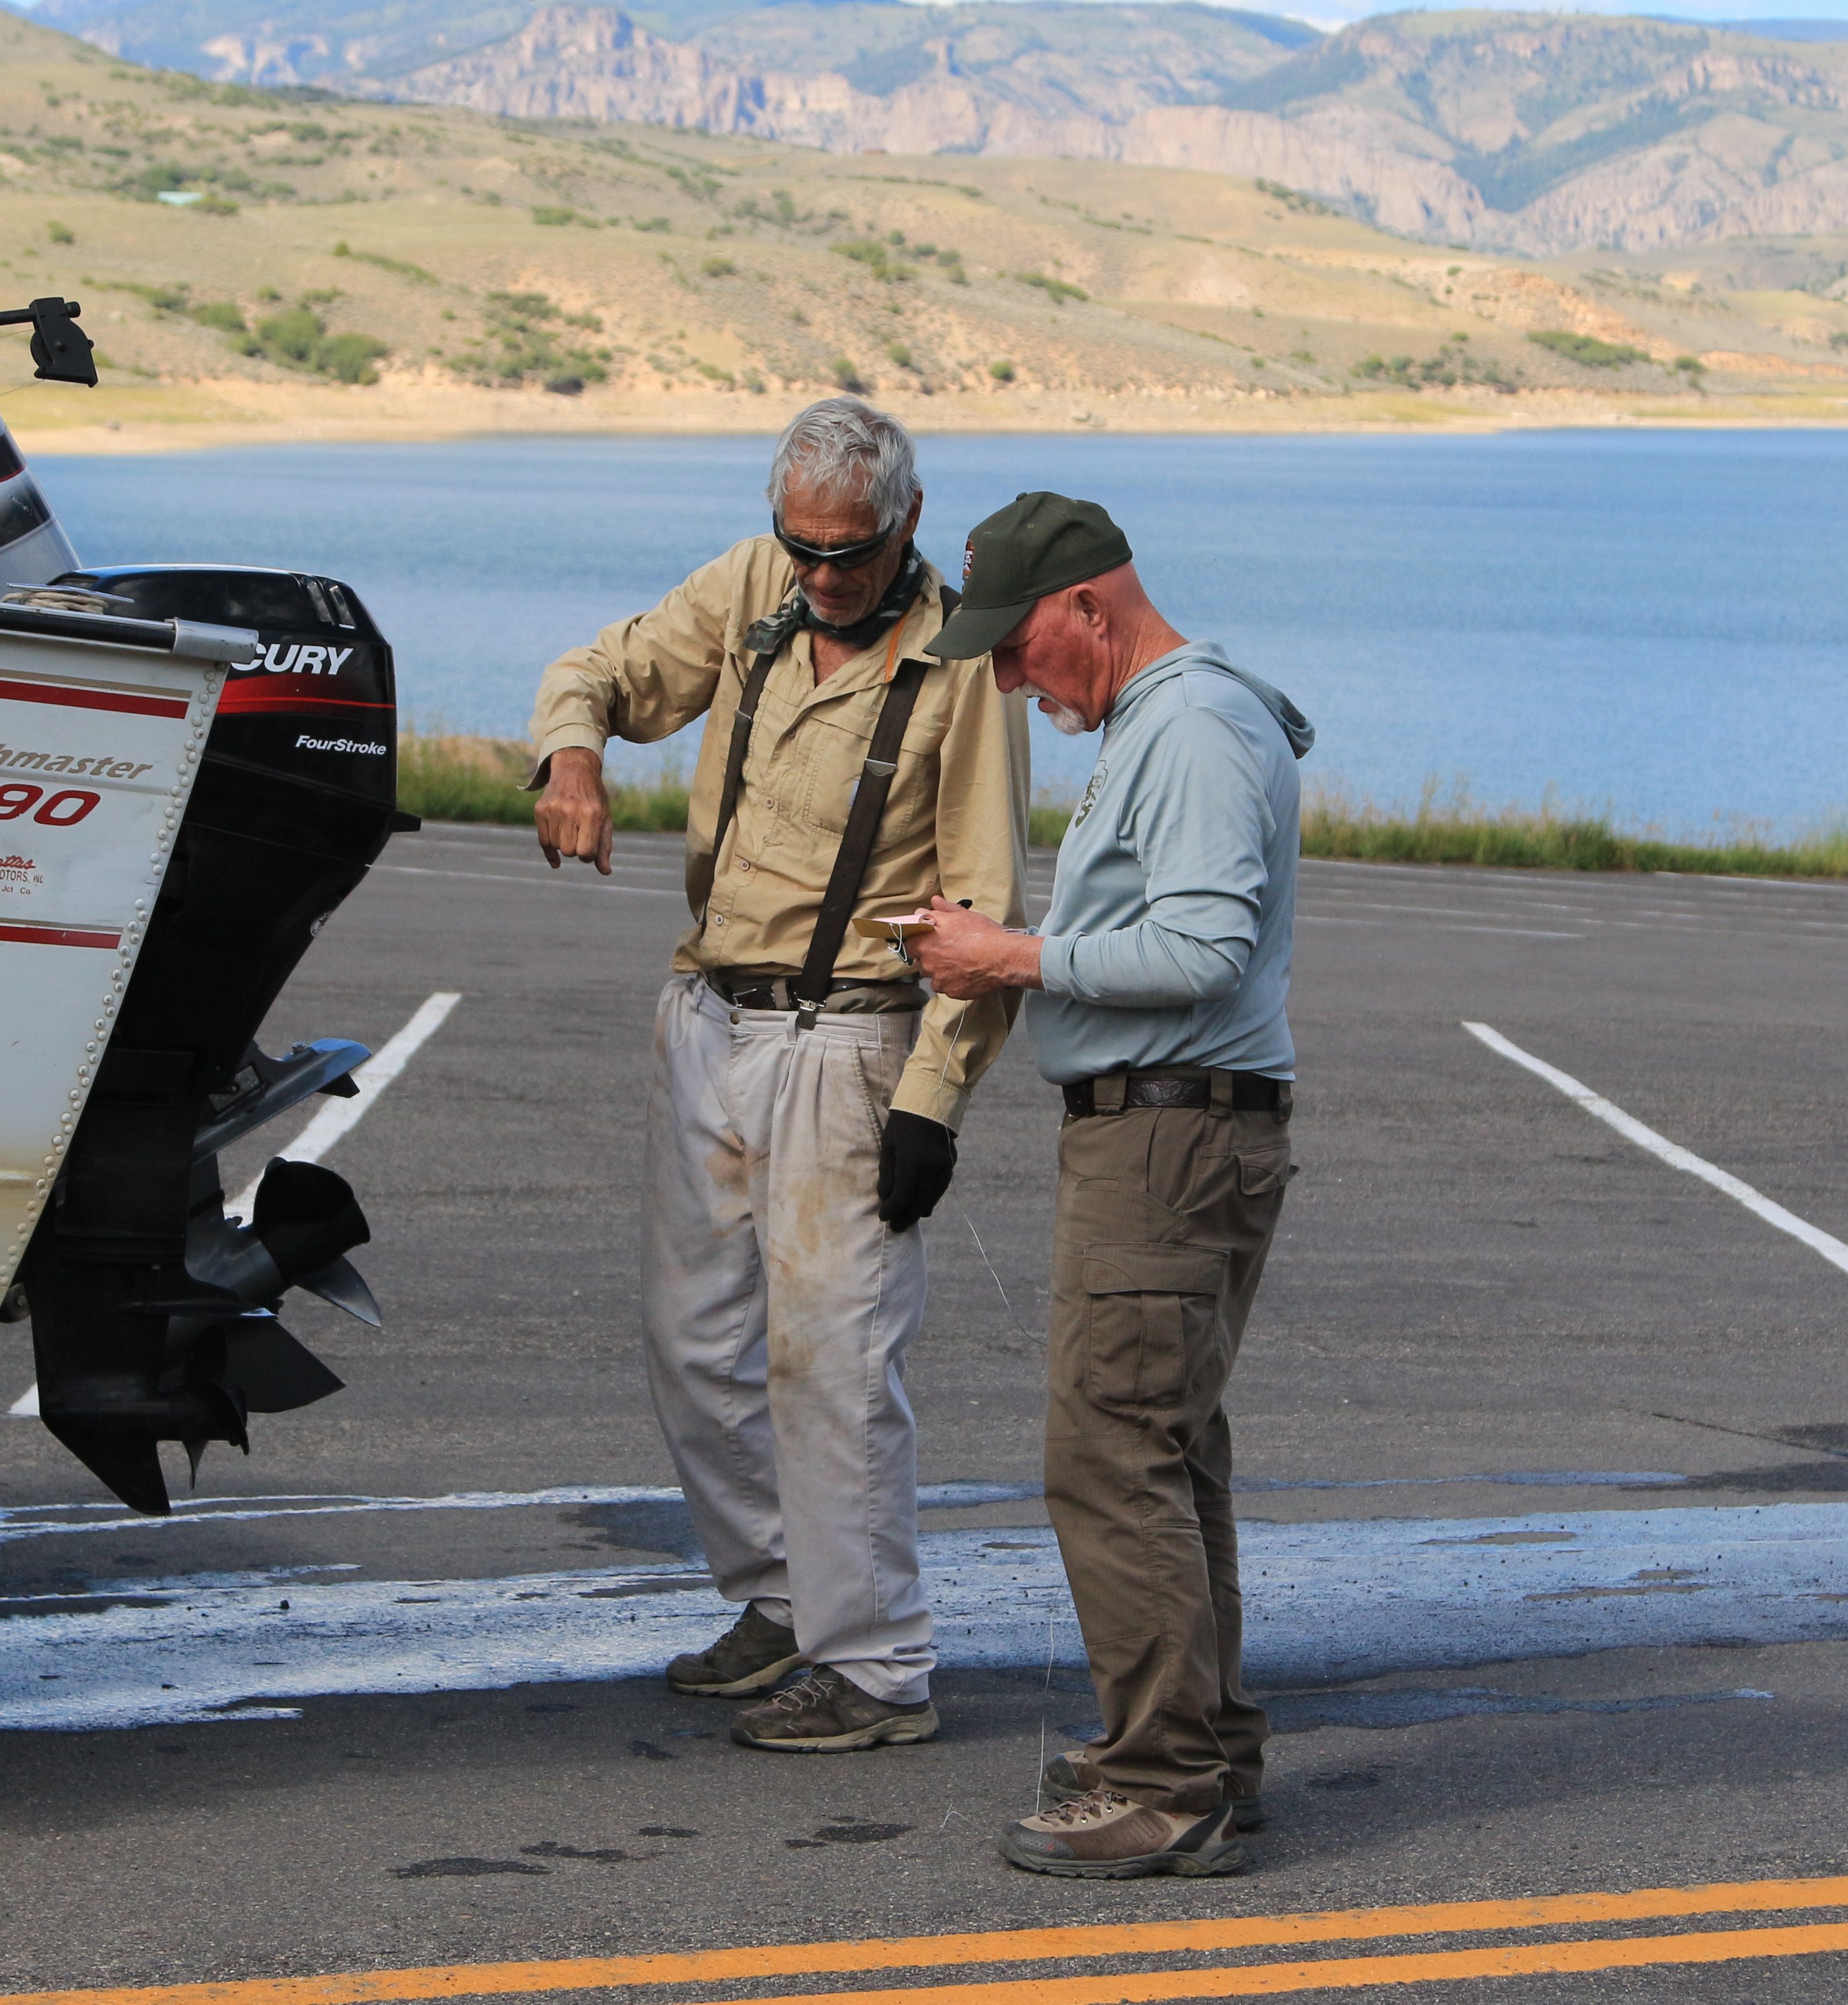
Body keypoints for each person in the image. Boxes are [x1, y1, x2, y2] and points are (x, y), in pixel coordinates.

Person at [528, 398, 1029, 1751]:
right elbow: (601, 670)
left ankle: (876, 1666)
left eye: (848, 553)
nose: (822, 576)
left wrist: (934, 1098)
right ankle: (780, 1596)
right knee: (692, 1344)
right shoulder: (756, 587)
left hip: (846, 1040)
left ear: (906, 521)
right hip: (707, 1013)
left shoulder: (958, 665)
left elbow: (984, 905)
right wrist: (572, 754)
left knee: (834, 1360)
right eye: (802, 547)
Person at [912, 491, 1312, 1876]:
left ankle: (1164, 1784)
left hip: (1167, 1135)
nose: (1008, 681)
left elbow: (1202, 951)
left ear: (1090, 604)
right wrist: (1012, 948)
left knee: (1110, 1452)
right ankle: (1204, 1750)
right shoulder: (1165, 719)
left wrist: (1008, 958)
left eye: (1016, 648)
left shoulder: (1188, 727)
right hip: (1174, 1128)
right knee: (1166, 1446)